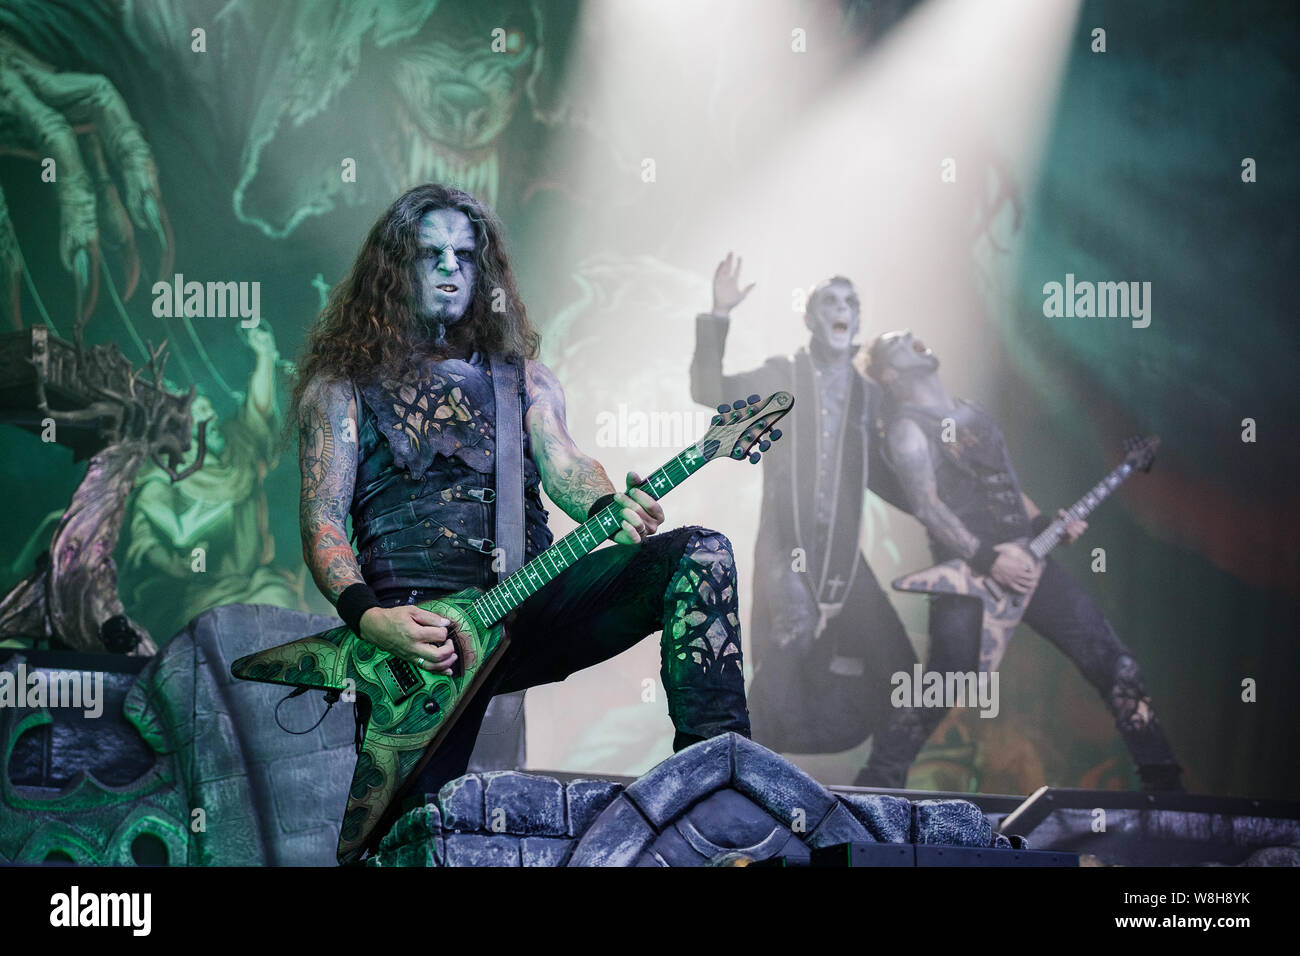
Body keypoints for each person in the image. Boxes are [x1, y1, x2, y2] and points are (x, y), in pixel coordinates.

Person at [290, 184, 750, 805]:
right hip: (421, 643)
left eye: (465, 255)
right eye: (432, 255)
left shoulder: (523, 380)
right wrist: (372, 620)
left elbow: (564, 461)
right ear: (396, 270)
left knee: (701, 556)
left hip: (526, 606)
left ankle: (718, 791)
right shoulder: (340, 386)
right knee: (414, 831)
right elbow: (323, 517)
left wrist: (603, 504)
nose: (452, 267)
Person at [857, 329, 1183, 790]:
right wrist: (990, 559)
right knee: (942, 686)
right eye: (898, 342)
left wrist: (1046, 524)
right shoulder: (908, 430)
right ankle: (876, 783)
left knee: (1115, 663)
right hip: (969, 576)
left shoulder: (973, 411)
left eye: (912, 335)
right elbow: (928, 507)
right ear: (889, 374)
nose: (914, 337)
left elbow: (1007, 490)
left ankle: (1166, 784)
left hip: (1031, 563)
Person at [690, 254, 916, 773]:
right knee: (780, 673)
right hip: (785, 551)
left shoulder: (870, 396)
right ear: (811, 318)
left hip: (843, 559)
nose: (842, 309)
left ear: (857, 321)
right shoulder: (781, 375)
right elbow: (708, 390)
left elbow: (886, 478)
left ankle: (884, 789)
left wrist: (955, 523)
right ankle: (729, 777)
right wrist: (719, 313)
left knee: (901, 670)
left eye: (850, 302)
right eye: (829, 302)